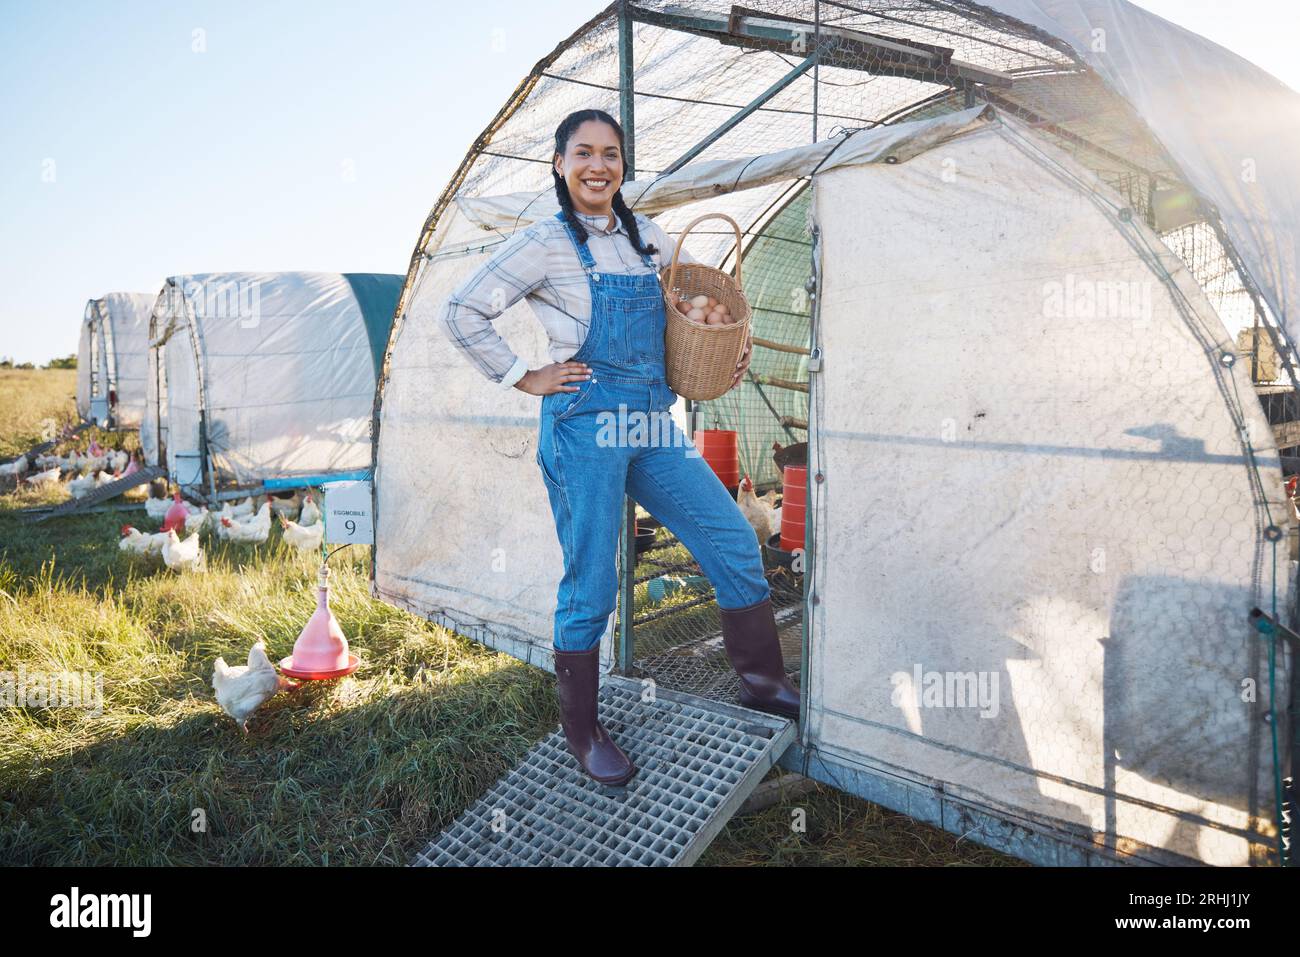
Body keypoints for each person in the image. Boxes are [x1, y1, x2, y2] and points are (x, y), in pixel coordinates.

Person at [438, 108, 799, 786]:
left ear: (623, 167)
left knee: (733, 537)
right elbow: (461, 309)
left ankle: (764, 682)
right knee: (593, 582)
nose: (597, 165)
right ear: (559, 163)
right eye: (583, 153)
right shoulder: (545, 242)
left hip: (652, 423)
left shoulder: (647, 238)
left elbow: (701, 297)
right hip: (584, 424)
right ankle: (584, 731)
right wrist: (524, 375)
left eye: (610, 153)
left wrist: (729, 342)